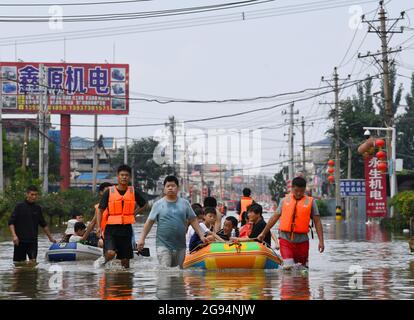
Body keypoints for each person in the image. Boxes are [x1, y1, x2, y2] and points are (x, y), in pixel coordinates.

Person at [137, 175, 207, 268]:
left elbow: (193, 219)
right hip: (163, 245)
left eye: (173, 186)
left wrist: (202, 235)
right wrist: (142, 239)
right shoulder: (158, 204)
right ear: (164, 189)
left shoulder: (185, 203)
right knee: (166, 274)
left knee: (178, 275)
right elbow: (149, 222)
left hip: (180, 245)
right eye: (168, 186)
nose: (170, 188)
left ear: (178, 188)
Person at [257, 176, 325, 268]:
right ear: (292, 188)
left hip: (302, 241)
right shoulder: (284, 201)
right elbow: (274, 218)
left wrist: (321, 241)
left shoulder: (311, 202)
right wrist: (263, 233)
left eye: (301, 191)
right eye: (296, 190)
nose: (299, 193)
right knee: (288, 267)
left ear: (305, 189)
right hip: (285, 239)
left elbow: (317, 222)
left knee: (302, 269)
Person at [96, 165, 148, 269]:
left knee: (125, 263)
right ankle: (103, 263)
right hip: (111, 230)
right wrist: (98, 227)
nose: (124, 177)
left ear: (130, 178)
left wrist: (134, 213)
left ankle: (124, 281)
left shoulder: (133, 191)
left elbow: (144, 204)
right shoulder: (109, 192)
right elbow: (100, 210)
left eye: (126, 175)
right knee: (110, 253)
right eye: (122, 175)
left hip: (126, 230)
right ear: (118, 176)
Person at [8, 185, 56, 263]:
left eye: (36, 195)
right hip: (20, 241)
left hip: (32, 241)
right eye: (32, 194)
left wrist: (50, 238)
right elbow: (11, 222)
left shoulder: (37, 208)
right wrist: (14, 236)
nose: (34, 197)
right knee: (18, 265)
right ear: (27, 194)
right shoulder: (19, 206)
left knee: (33, 263)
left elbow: (43, 224)